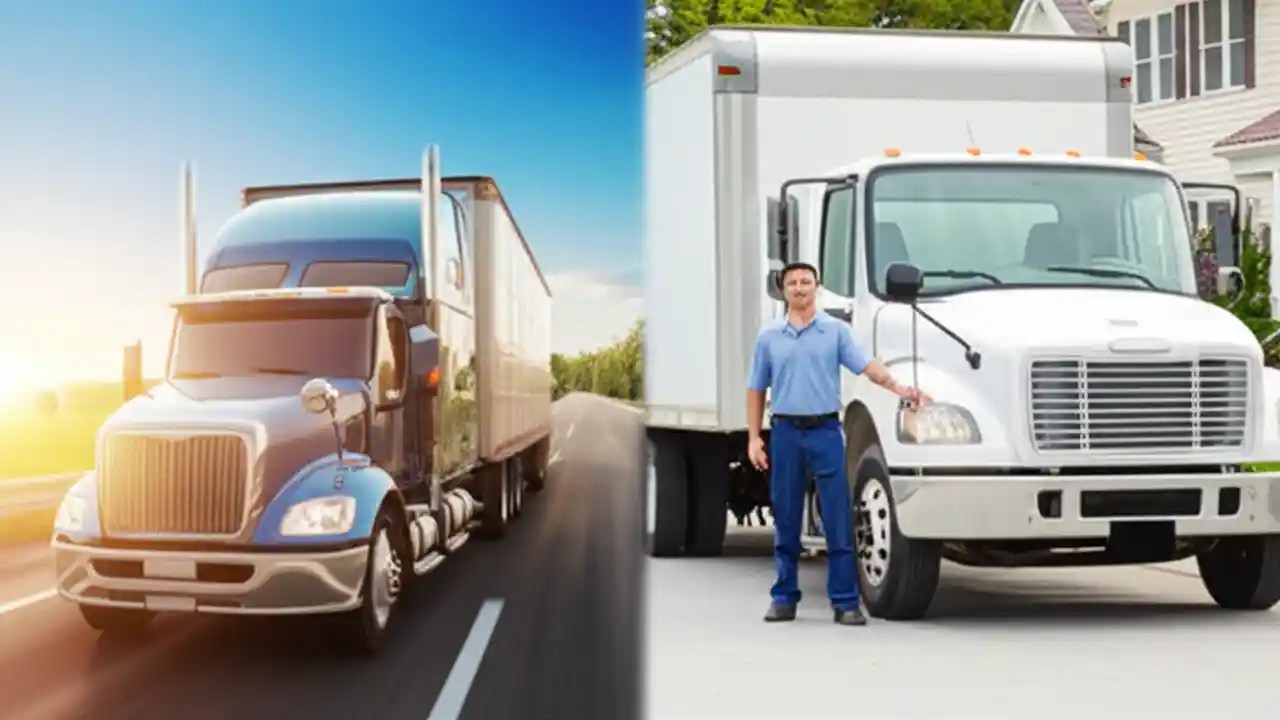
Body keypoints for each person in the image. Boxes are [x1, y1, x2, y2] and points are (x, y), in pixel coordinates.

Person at [746, 261, 929, 626]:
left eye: (806, 281)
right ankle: (783, 597)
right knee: (784, 516)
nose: (799, 288)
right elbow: (756, 388)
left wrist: (898, 387)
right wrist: (754, 437)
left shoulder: (835, 332)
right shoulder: (769, 338)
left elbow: (866, 366)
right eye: (792, 282)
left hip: (826, 432)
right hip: (785, 432)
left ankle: (845, 602)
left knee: (837, 516)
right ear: (784, 290)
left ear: (817, 287)